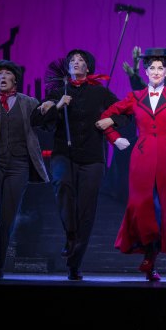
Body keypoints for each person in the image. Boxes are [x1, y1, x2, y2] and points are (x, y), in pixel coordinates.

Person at [97, 48, 166, 281]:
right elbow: (105, 118)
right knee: (143, 205)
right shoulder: (134, 97)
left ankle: (151, 257)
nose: (156, 72)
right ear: (145, 71)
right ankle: (149, 253)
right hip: (142, 156)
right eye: (152, 68)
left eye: (160, 68)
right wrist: (115, 139)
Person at [36, 49, 129, 280]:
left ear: (88, 67)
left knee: (86, 210)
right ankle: (70, 235)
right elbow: (37, 121)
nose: (76, 63)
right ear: (67, 68)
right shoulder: (58, 92)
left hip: (92, 157)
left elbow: (126, 113)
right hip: (63, 155)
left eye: (81, 61)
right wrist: (57, 106)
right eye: (72, 61)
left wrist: (112, 119)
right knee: (62, 188)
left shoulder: (100, 93)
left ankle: (75, 263)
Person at [0, 60, 49, 279]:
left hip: (19, 164)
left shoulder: (28, 102)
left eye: (7, 74)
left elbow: (44, 122)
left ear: (15, 79)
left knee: (7, 215)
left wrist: (50, 108)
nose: (2, 77)